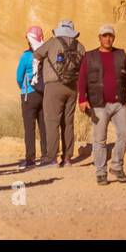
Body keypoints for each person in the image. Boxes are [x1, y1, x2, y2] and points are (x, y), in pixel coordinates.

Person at [78, 24, 126, 185]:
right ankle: (101, 172)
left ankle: (117, 166)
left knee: (124, 134)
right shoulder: (89, 56)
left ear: (114, 37)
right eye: (104, 36)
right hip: (98, 104)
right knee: (99, 140)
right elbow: (82, 79)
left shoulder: (121, 54)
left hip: (119, 103)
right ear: (99, 38)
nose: (107, 38)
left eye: (110, 36)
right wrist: (82, 99)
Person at [33, 20, 85, 168]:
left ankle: (51, 158)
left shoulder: (52, 42)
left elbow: (37, 54)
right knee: (68, 123)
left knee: (51, 122)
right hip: (72, 88)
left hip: (53, 86)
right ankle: (67, 158)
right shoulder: (80, 46)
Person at [16, 26, 46, 170]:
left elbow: (19, 77)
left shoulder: (26, 56)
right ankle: (46, 156)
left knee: (30, 128)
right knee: (44, 126)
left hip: (28, 94)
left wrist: (24, 88)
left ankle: (30, 158)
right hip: (44, 93)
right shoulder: (45, 55)